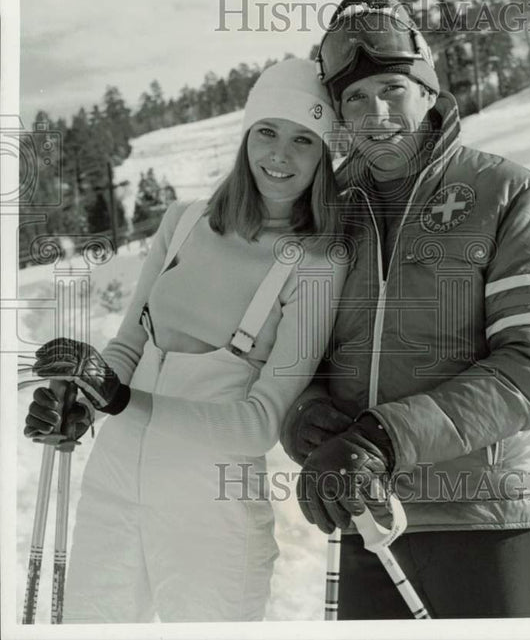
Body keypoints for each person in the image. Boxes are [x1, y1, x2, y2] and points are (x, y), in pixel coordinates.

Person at [281, 0, 530, 619]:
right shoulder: (327, 212)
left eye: (392, 89)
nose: (376, 114)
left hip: (484, 516)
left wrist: (384, 438)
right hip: (367, 512)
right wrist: (304, 414)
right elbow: (298, 353)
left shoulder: (511, 193)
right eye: (355, 98)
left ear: (428, 91)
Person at [24, 58, 350, 623]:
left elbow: (258, 423)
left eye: (304, 140)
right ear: (246, 135)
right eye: (267, 132)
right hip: (116, 480)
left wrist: (121, 399)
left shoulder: (320, 263)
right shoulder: (184, 221)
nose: (279, 154)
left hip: (212, 506)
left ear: (324, 156)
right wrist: (81, 401)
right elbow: (128, 347)